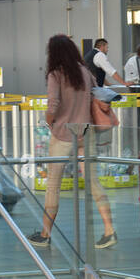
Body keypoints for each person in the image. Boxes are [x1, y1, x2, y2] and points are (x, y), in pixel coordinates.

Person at [28, 35, 119, 249]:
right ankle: (109, 230)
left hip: (63, 134)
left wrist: (50, 122)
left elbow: (53, 105)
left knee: (53, 185)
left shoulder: (56, 74)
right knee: (93, 181)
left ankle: (45, 233)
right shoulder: (85, 72)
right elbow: (98, 95)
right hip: (86, 133)